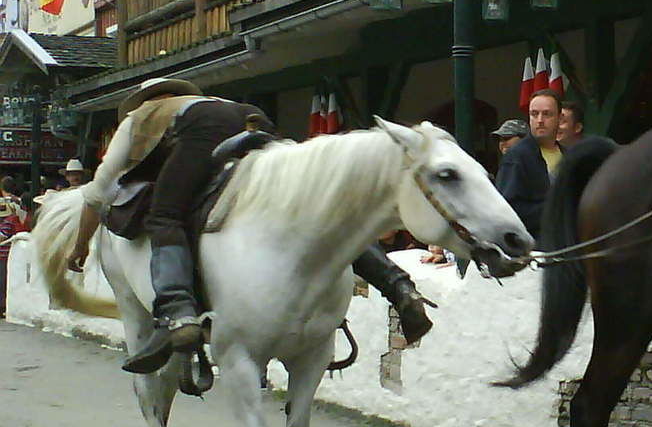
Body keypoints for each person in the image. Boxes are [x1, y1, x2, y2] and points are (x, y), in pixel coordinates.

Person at [71, 78, 436, 375]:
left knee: (164, 216)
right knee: (314, 216)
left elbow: (99, 191)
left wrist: (80, 245)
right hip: (254, 122)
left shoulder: (141, 116)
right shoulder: (217, 101)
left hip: (200, 138)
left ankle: (178, 311)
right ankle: (400, 289)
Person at [495, 89, 562, 238]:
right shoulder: (517, 157)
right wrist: (557, 208)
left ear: (560, 118)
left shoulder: (568, 155)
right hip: (535, 250)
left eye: (547, 114)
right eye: (534, 114)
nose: (540, 120)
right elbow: (507, 210)